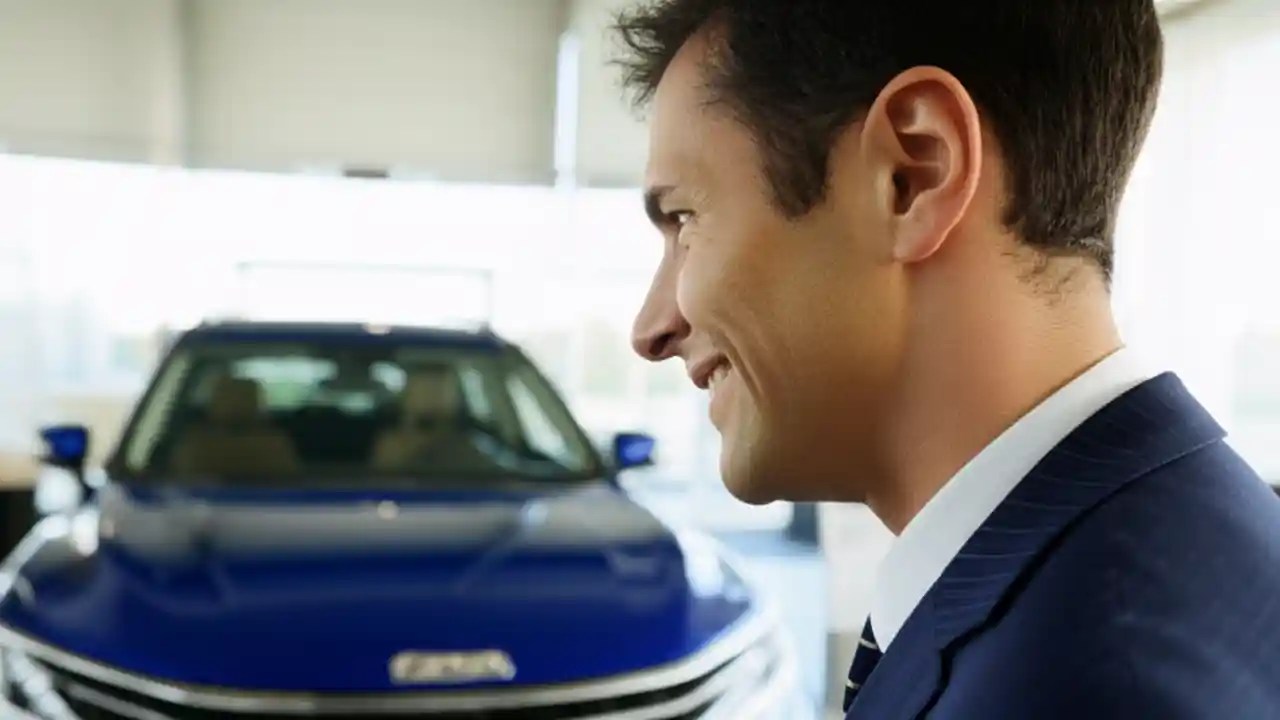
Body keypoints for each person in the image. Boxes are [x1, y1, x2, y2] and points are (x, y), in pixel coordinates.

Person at [614, 2, 1280, 718]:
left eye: (685, 219)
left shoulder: (1085, 687)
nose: (651, 329)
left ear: (913, 173)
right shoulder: (1179, 563)